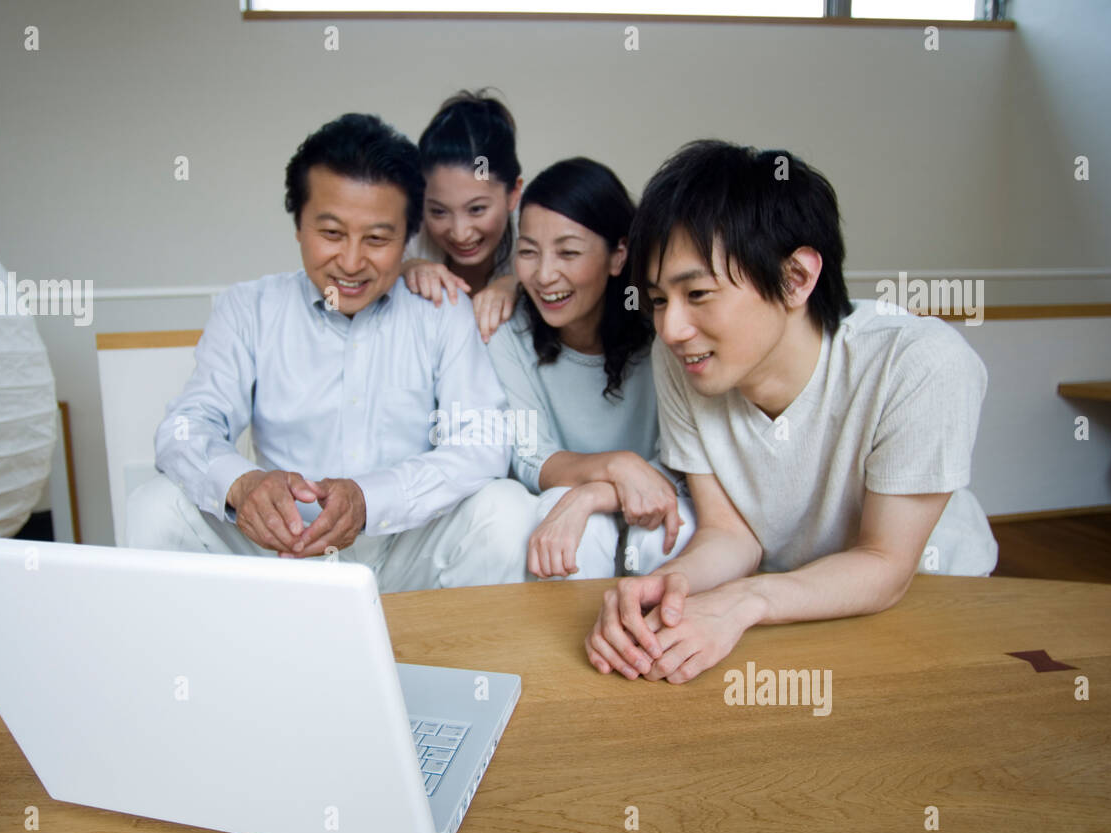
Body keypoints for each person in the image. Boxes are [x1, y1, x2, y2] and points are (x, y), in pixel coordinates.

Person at [586, 139, 999, 683]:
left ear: (796, 278)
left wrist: (742, 602)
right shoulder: (683, 359)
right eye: (659, 300)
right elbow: (732, 534)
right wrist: (668, 585)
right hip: (787, 602)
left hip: (929, 597)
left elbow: (885, 565)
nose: (671, 328)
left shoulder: (919, 363)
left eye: (699, 294)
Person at [125, 112, 535, 593]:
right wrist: (241, 485)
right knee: (152, 507)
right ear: (298, 224)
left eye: (378, 239)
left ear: (408, 237)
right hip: (278, 549)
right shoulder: (248, 308)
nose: (352, 261)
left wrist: (371, 500)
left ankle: (456, 666)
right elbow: (186, 426)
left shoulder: (442, 310)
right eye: (332, 233)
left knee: (506, 509)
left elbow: (481, 442)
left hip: (405, 551)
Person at [484, 157, 695, 580]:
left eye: (568, 252)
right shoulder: (508, 333)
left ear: (618, 255)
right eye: (528, 252)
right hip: (561, 504)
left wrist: (601, 488)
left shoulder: (663, 326)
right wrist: (616, 466)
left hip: (660, 493)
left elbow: (684, 459)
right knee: (573, 526)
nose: (544, 275)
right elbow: (529, 456)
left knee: (667, 532)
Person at [401, 89, 523, 341]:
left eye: (477, 209)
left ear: (513, 194)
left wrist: (520, 285)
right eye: (438, 211)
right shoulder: (405, 236)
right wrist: (404, 269)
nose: (460, 232)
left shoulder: (534, 238)